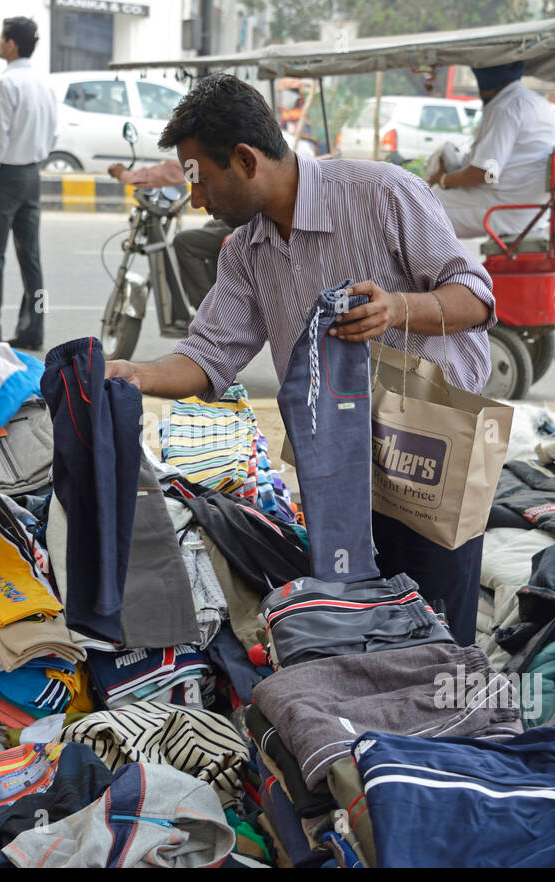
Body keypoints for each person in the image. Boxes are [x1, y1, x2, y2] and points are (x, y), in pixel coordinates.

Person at [104, 74, 496, 640]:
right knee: (358, 621)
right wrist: (132, 374)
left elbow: (477, 297)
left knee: (437, 629)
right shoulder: (245, 249)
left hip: (433, 451)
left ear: (244, 160)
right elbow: (210, 355)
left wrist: (398, 308)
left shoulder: (383, 193)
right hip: (341, 463)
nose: (196, 199)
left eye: (200, 180)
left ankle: (446, 721)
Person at [0, 17, 58, 349]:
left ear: (11, 45)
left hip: (5, 176)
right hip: (32, 175)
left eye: (0, 38)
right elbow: (53, 134)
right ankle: (34, 329)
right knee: (31, 259)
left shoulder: (7, 84)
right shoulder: (43, 84)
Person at [426, 61, 555, 239]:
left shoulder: (504, 108)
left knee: (417, 208)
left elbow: (485, 174)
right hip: (529, 207)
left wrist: (443, 180)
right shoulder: (535, 101)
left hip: (506, 209)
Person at [107, 159, 232, 308]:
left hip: (246, 225)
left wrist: (127, 175)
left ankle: (209, 309)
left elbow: (175, 170)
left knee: (183, 242)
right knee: (209, 226)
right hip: (246, 221)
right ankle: (218, 292)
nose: (196, 202)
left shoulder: (214, 148)